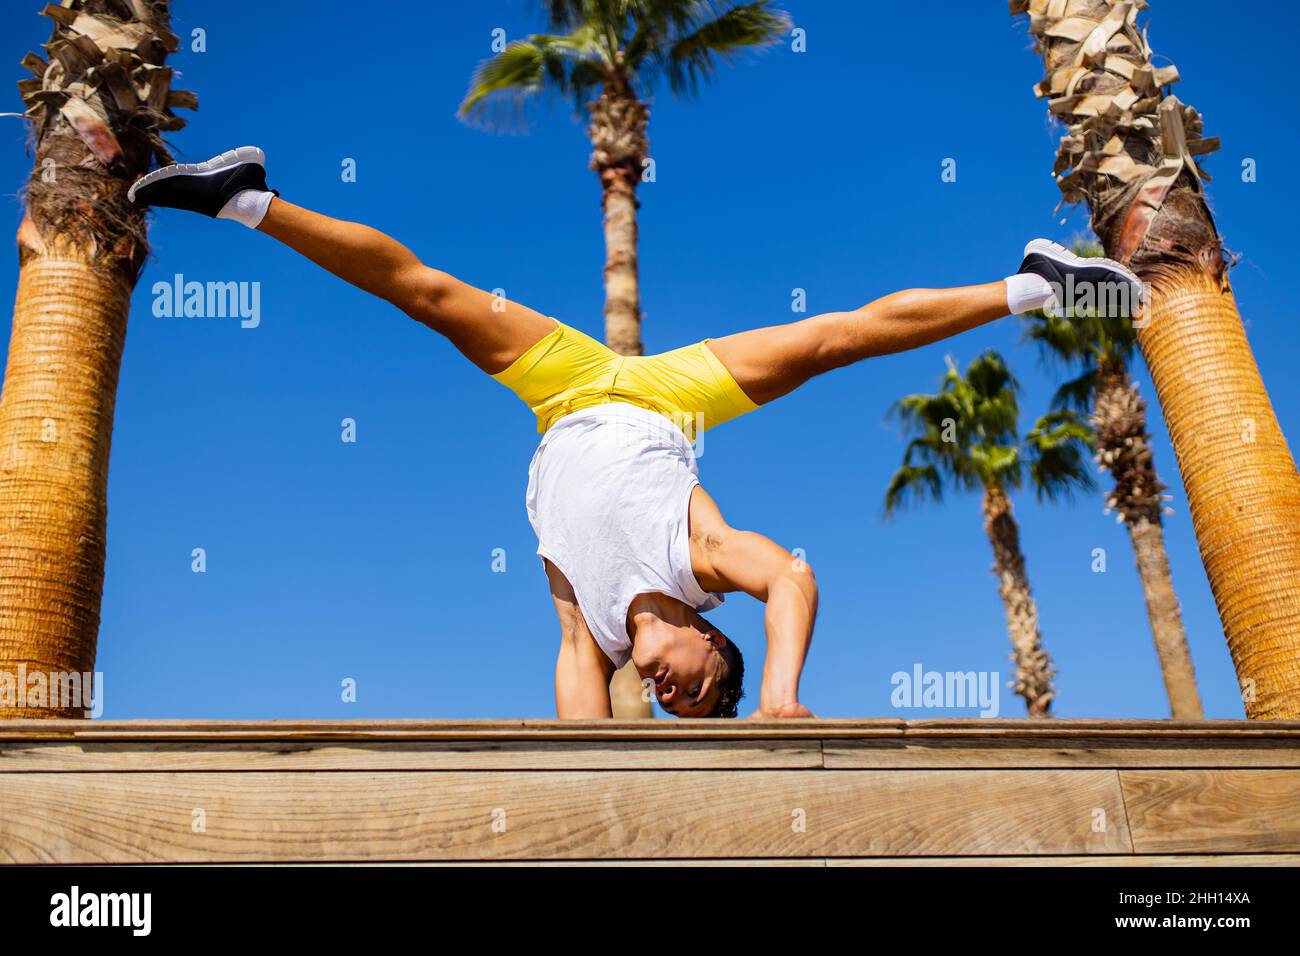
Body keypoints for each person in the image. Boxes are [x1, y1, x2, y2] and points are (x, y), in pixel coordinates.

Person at [129, 147, 1141, 719]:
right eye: (698, 691)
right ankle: (1030, 284)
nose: (669, 695)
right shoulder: (702, 563)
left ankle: (241, 203)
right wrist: (782, 697)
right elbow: (791, 574)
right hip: (665, 396)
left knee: (430, 300)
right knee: (834, 338)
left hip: (564, 397)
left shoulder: (594, 635)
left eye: (669, 710)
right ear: (713, 640)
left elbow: (583, 719)